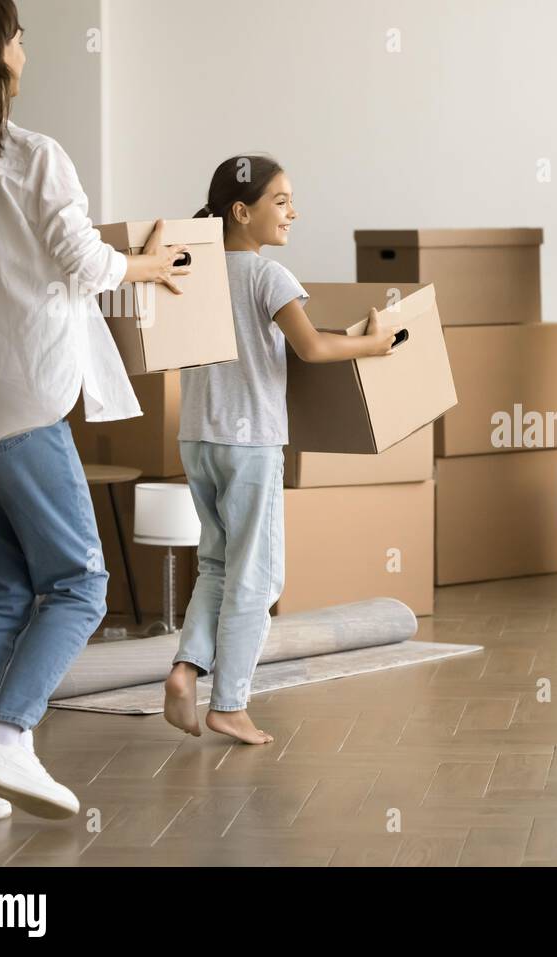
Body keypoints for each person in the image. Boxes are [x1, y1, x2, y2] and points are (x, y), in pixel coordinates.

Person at [0, 0, 189, 820]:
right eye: (19, 34)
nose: (27, 46)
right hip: (20, 407)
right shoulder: (33, 157)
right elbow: (87, 263)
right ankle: (8, 735)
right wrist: (150, 263)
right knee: (80, 584)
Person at [163, 155, 399, 744]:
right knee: (258, 579)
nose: (294, 212)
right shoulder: (268, 276)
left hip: (197, 437)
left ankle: (185, 670)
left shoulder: (196, 271)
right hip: (250, 445)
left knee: (217, 565)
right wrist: (373, 344)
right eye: (282, 201)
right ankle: (230, 703)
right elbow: (312, 348)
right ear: (243, 212)